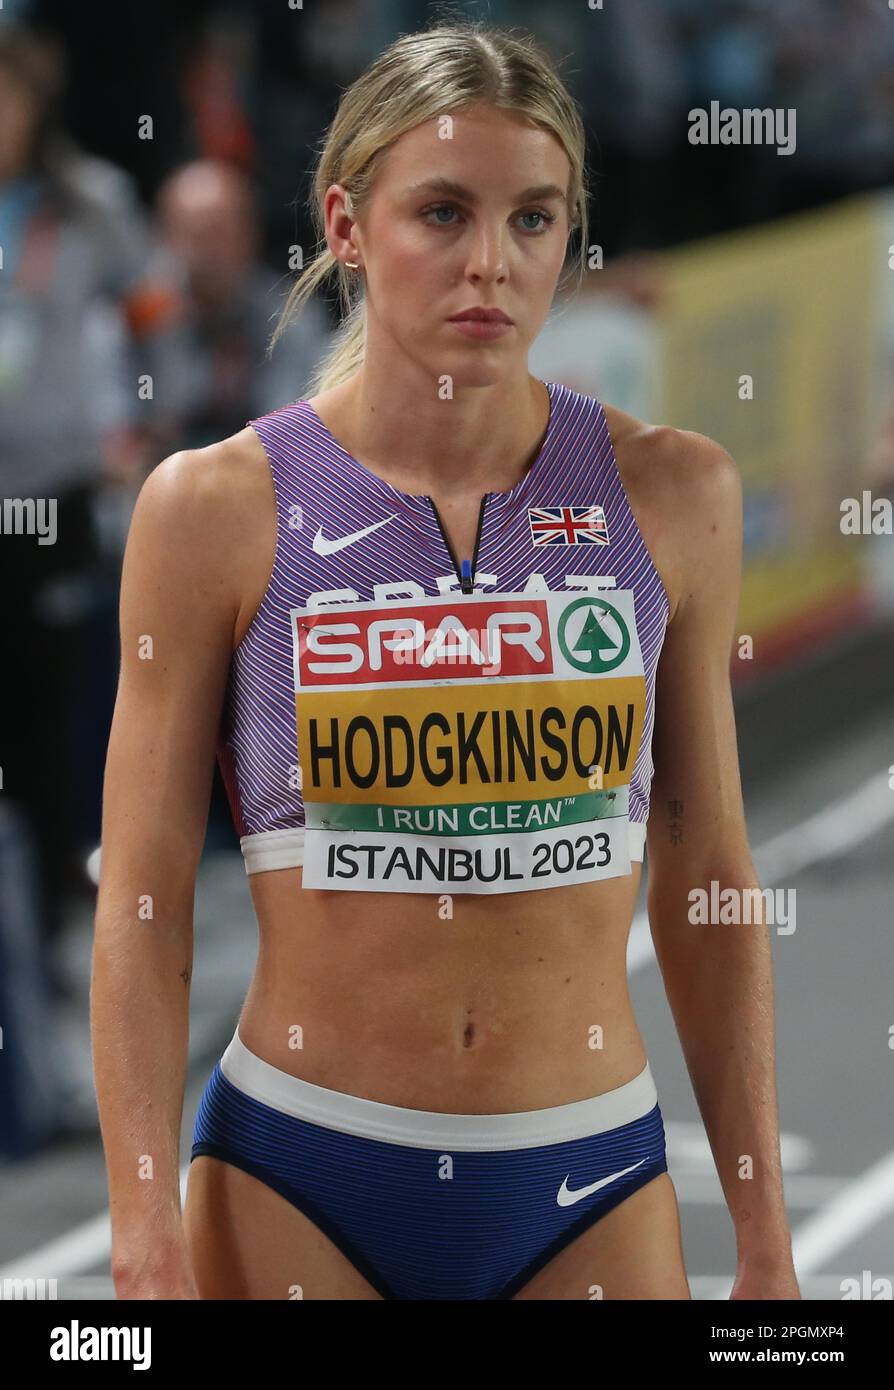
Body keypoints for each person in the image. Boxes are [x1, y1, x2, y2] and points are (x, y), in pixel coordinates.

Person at [91, 20, 800, 1301]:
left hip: (587, 1178)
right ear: (347, 227)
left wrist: (765, 1239)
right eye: (442, 213)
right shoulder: (213, 509)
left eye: (535, 220)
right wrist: (141, 1239)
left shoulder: (673, 493)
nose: (492, 264)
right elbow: (142, 904)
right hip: (297, 1177)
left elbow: (709, 874)